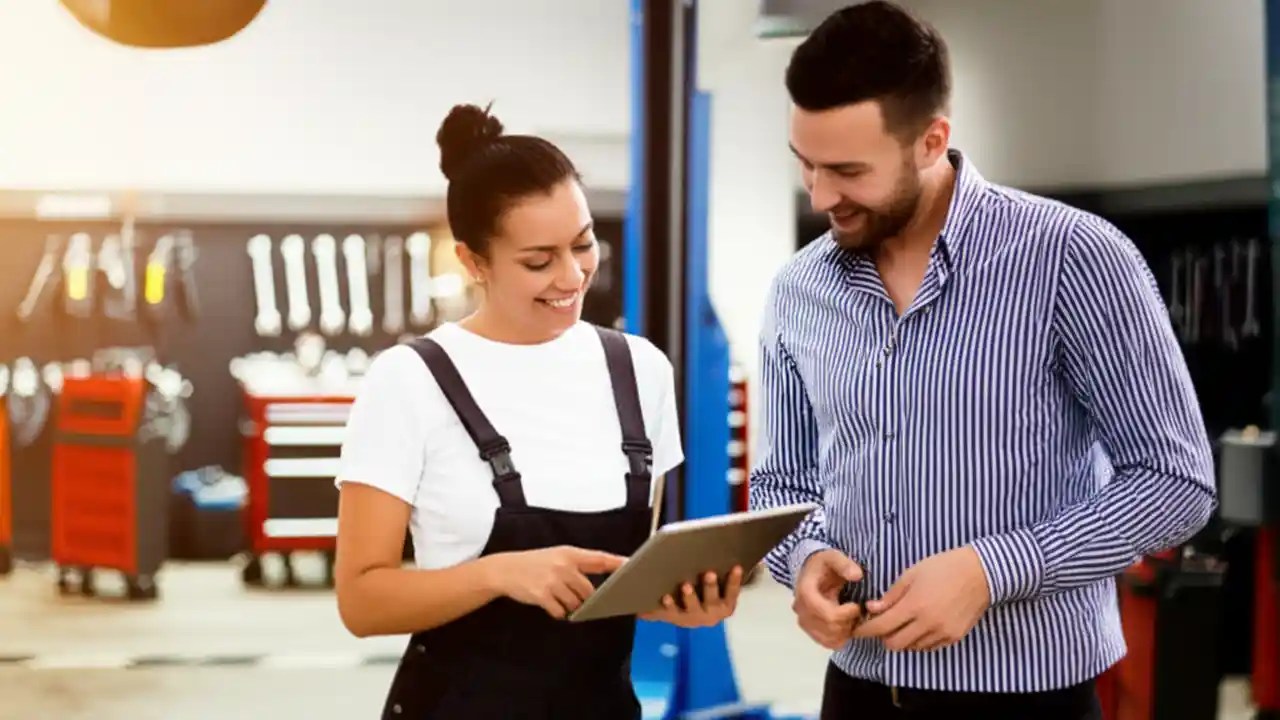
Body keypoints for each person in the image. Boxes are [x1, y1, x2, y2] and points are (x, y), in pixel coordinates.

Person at [749, 3, 1216, 719]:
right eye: (805, 165)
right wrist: (803, 559)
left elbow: (1175, 482)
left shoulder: (1074, 259)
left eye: (846, 170)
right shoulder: (798, 289)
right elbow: (783, 479)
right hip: (859, 691)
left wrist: (992, 571)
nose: (820, 196)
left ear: (932, 140)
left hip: (1029, 695)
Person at [333, 103, 744, 719]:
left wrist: (673, 598)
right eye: (538, 260)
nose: (572, 275)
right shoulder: (410, 380)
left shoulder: (639, 372)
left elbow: (619, 581)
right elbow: (361, 602)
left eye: (583, 244)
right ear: (474, 262)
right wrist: (499, 574)